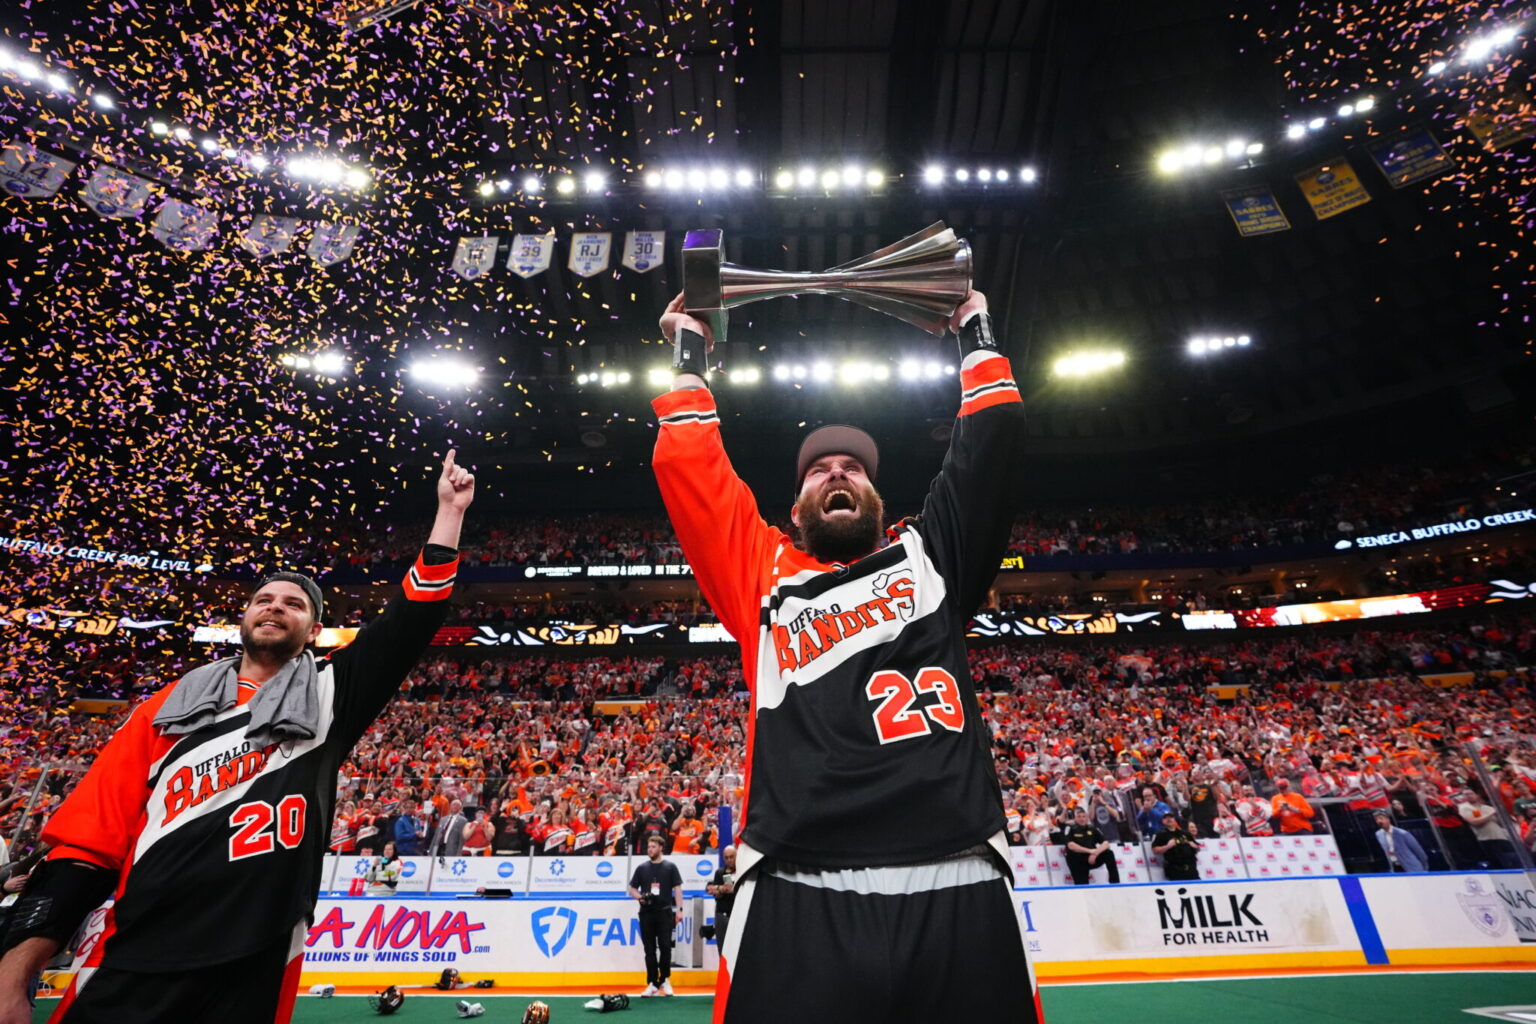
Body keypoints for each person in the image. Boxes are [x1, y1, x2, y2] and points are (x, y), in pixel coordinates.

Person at [652, 285, 1032, 1024]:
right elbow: (694, 472)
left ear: (880, 504)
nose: (837, 473)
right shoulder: (761, 575)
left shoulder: (932, 560)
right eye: (819, 470)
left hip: (957, 868)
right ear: (794, 513)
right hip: (798, 879)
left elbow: (990, 453)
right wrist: (688, 352)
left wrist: (974, 328)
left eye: (853, 469)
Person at [0, 451, 474, 1024]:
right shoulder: (162, 709)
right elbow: (86, 846)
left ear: (315, 631)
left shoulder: (331, 693)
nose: (276, 607)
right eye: (264, 599)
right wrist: (12, 978)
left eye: (294, 603)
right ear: (245, 617)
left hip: (262, 952)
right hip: (140, 949)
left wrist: (449, 516)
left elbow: (409, 623)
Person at [627, 835, 683, 998]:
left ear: (660, 848)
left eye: (653, 846)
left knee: (665, 947)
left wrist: (679, 910)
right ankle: (652, 983)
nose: (650, 849)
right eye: (648, 847)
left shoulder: (670, 867)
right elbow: (632, 889)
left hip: (665, 912)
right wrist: (640, 897)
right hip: (646, 913)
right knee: (649, 949)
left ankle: (664, 980)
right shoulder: (642, 868)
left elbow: (678, 889)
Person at [1063, 806, 1120, 885]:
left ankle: (1115, 883)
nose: (1082, 819)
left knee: (1109, 853)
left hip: (1092, 857)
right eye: (1079, 817)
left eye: (1084, 816)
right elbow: (1071, 845)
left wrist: (1095, 853)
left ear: (1087, 818)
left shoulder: (1092, 828)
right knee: (1082, 884)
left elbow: (1106, 843)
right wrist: (1090, 851)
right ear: (1075, 818)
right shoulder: (1069, 828)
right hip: (1077, 859)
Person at [1152, 812, 1201, 881]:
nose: (1168, 819)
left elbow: (1198, 847)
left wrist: (1195, 846)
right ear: (1163, 821)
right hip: (1175, 869)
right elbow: (1155, 850)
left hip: (1191, 868)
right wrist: (1167, 846)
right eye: (1166, 818)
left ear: (1175, 820)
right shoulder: (1161, 835)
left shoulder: (1185, 833)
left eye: (1171, 817)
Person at [705, 845, 739, 947]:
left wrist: (719, 888)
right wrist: (721, 889)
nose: (729, 860)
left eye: (731, 857)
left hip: (738, 913)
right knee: (723, 946)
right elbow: (715, 892)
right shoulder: (721, 872)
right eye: (726, 857)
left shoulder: (742, 871)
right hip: (723, 914)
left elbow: (731, 889)